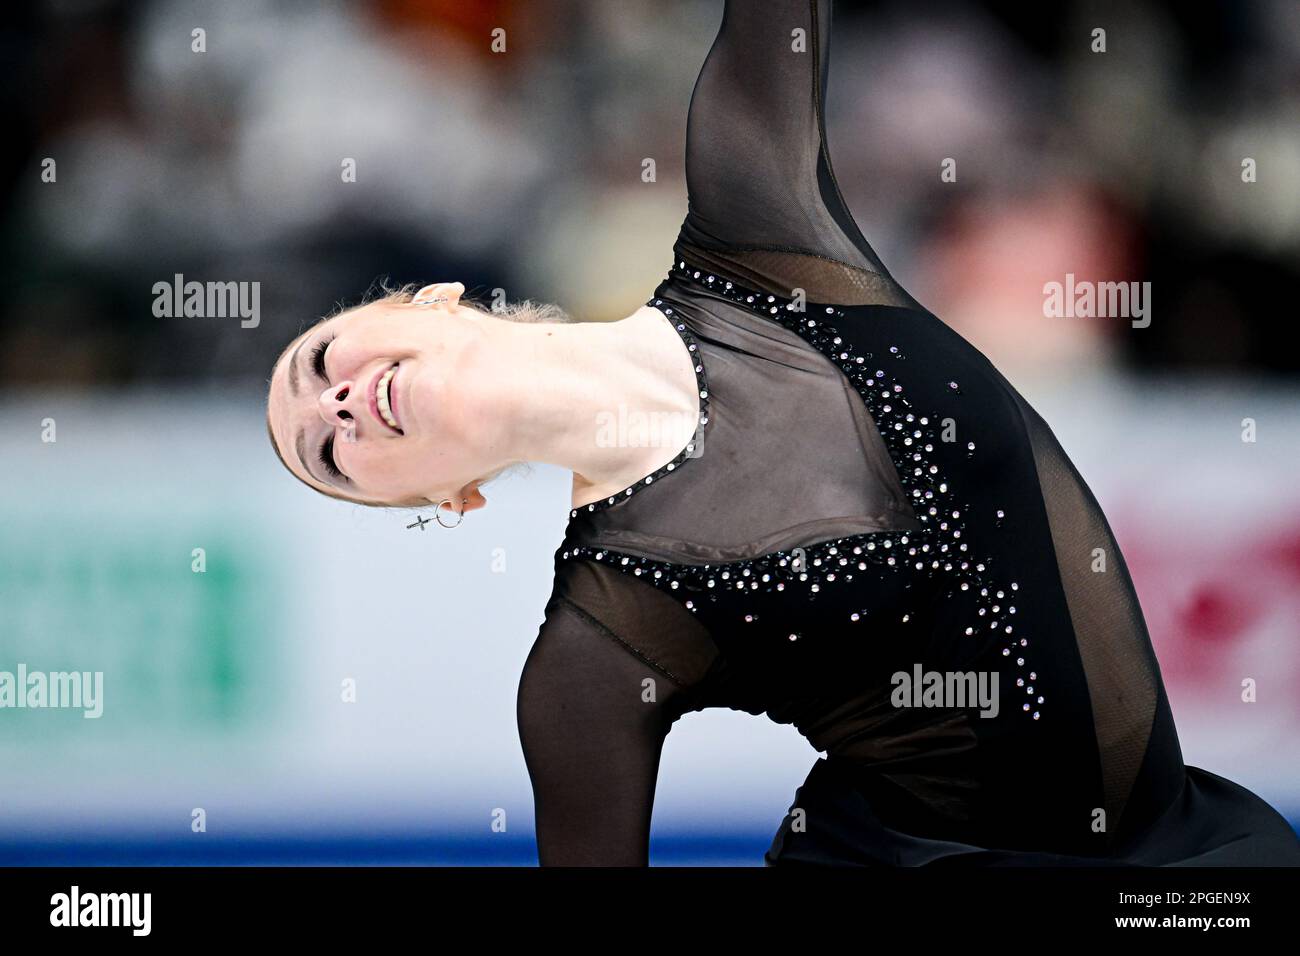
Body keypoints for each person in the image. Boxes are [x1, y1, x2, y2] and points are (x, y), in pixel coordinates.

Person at [266, 0, 1300, 866]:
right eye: (328, 451)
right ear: (442, 502)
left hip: (1191, 857)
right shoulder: (596, 650)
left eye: (322, 363)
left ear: (430, 303)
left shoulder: (760, 223)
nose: (338, 405)